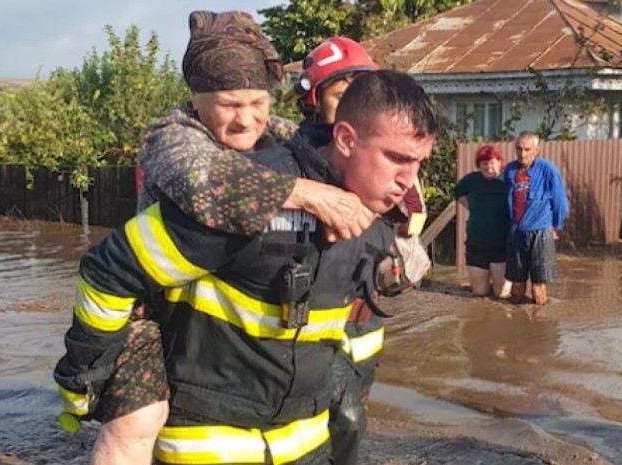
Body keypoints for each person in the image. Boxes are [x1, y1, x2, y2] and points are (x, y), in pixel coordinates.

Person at [54, 68, 438, 465]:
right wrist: (84, 376)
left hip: (306, 442)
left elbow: (353, 331)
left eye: (418, 163)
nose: (408, 182)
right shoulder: (247, 194)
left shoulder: (378, 212)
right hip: (210, 444)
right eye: (396, 159)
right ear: (344, 138)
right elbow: (109, 271)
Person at [293, 37, 429, 465]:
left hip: (363, 328)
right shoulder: (299, 163)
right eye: (340, 93)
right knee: (333, 423)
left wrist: (404, 262)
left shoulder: (394, 168)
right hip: (311, 329)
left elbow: (409, 224)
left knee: (352, 417)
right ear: (315, 101)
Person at [503, 132, 568, 306]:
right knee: (516, 285)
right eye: (519, 149)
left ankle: (540, 326)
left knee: (538, 287)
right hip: (516, 232)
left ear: (536, 150)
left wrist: (556, 226)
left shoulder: (548, 170)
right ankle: (516, 325)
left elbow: (560, 202)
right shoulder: (509, 170)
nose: (522, 154)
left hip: (540, 232)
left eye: (527, 149)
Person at [452, 145, 511, 298]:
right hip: (477, 243)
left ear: (499, 162)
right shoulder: (471, 180)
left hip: (503, 244)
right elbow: (457, 192)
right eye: (484, 163)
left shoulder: (508, 180)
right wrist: (472, 207)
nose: (488, 167)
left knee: (502, 294)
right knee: (480, 293)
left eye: (492, 162)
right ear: (479, 165)